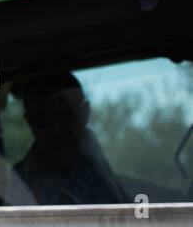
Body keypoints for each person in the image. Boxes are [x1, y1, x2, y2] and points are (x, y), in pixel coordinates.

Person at [13, 72, 127, 205]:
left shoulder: (103, 172)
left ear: (85, 112)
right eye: (42, 120)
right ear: (29, 122)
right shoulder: (18, 180)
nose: (56, 129)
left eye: (66, 116)